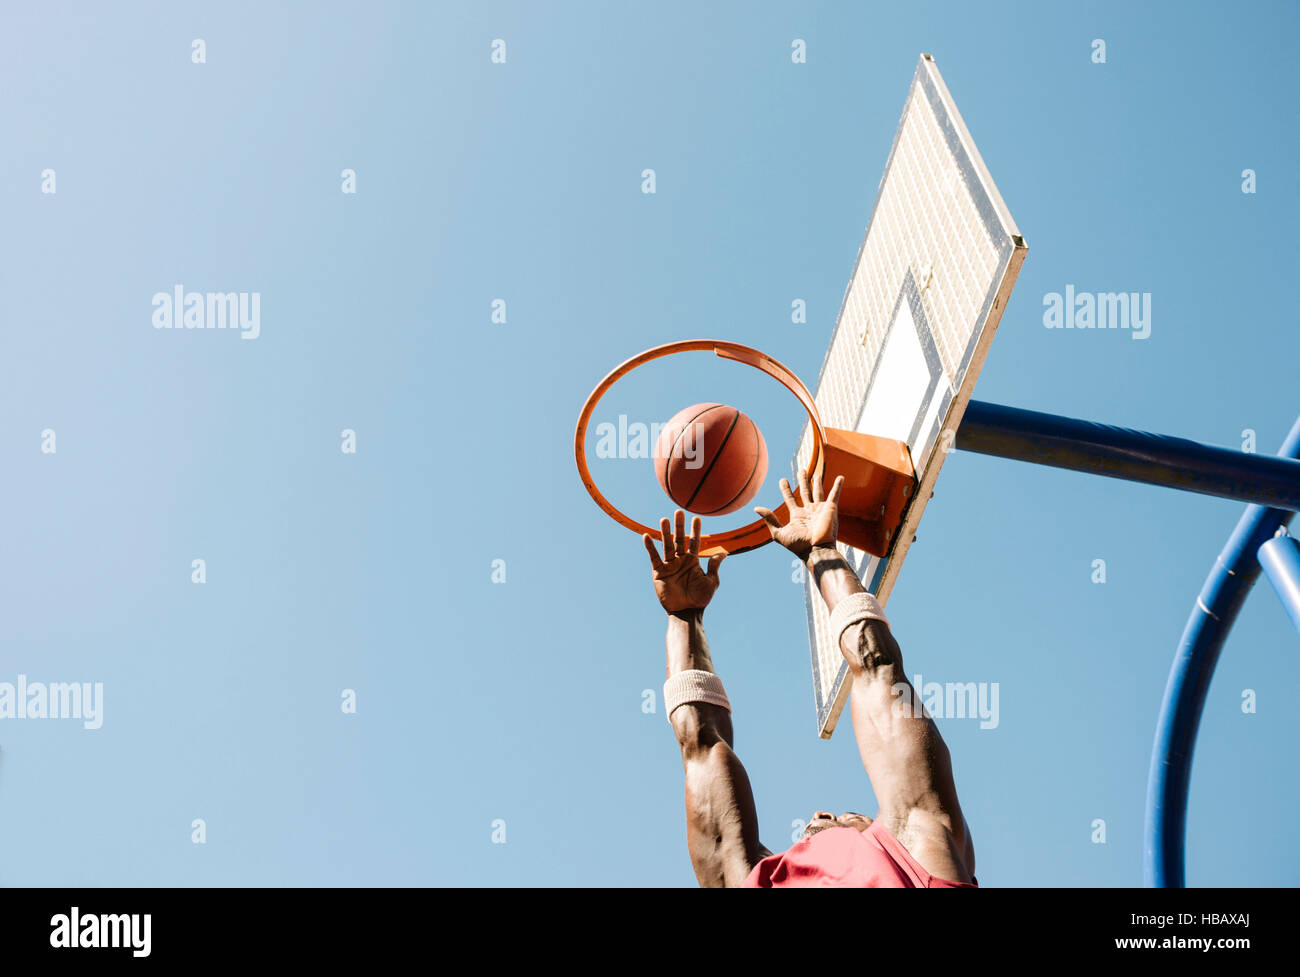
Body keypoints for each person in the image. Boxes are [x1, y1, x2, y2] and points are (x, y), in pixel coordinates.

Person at [643, 469, 977, 888]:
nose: (820, 814)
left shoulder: (910, 843)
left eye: (839, 817)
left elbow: (876, 663)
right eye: (840, 814)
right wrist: (683, 617)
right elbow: (699, 741)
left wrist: (821, 552)